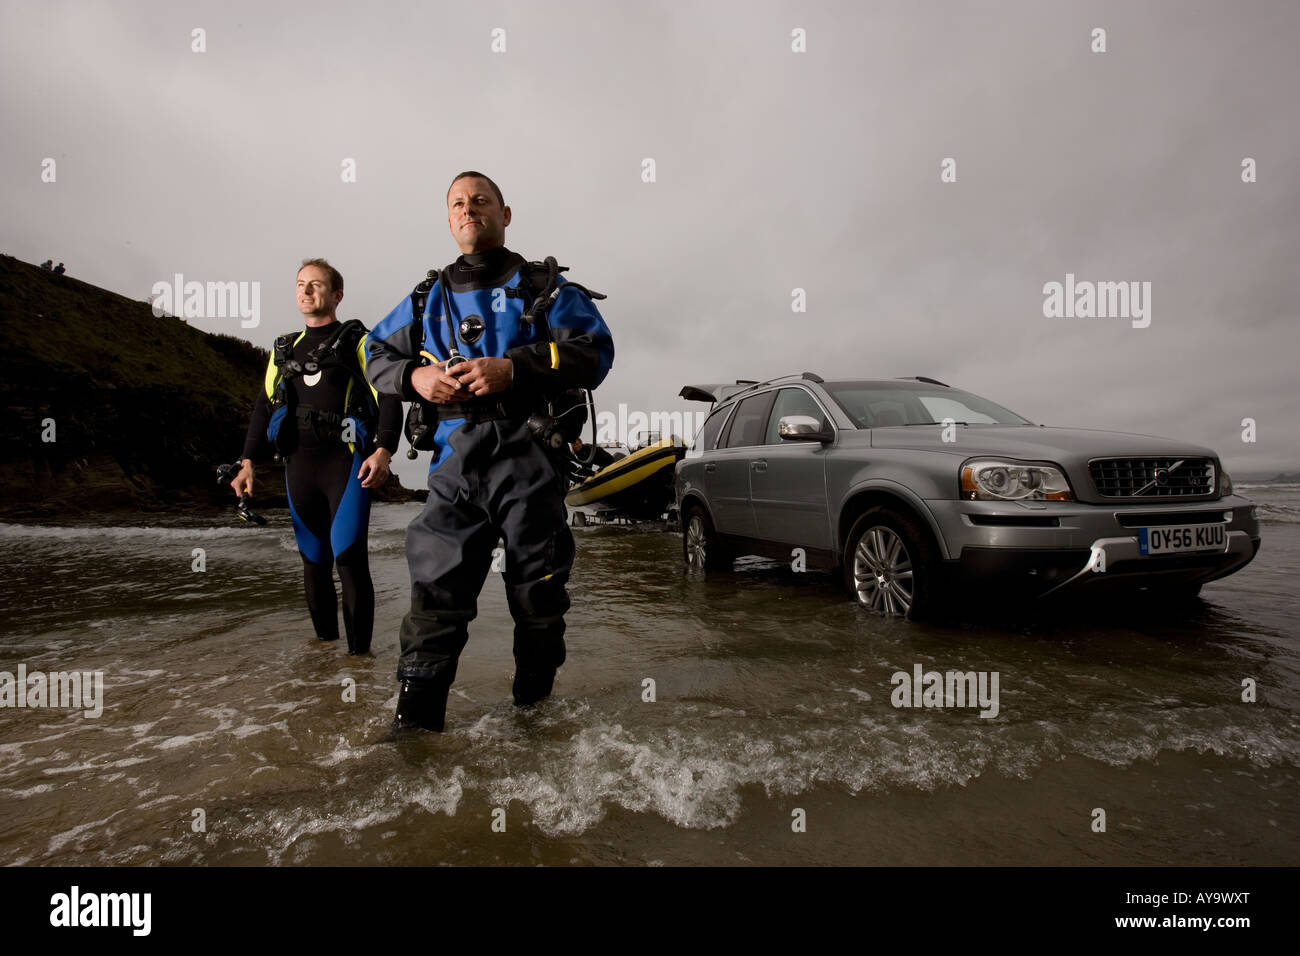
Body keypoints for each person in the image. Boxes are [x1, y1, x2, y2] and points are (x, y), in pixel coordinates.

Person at [366, 171, 614, 732]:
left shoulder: (546, 289)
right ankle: (413, 742)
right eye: (458, 203)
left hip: (530, 457)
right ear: (448, 219)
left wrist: (515, 368)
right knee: (434, 596)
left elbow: (596, 352)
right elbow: (373, 350)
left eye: (481, 201)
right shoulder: (425, 298)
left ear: (505, 214)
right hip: (453, 466)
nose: (468, 209)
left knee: (539, 598)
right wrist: (414, 377)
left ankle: (534, 727)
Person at [230, 259, 402, 655]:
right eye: (300, 284)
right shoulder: (283, 349)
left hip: (345, 466)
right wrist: (248, 461)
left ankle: (360, 662)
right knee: (313, 561)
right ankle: (323, 663)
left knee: (349, 560)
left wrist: (384, 450)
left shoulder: (359, 342)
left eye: (316, 284)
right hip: (298, 467)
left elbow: (391, 394)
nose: (306, 291)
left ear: (337, 294)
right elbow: (263, 406)